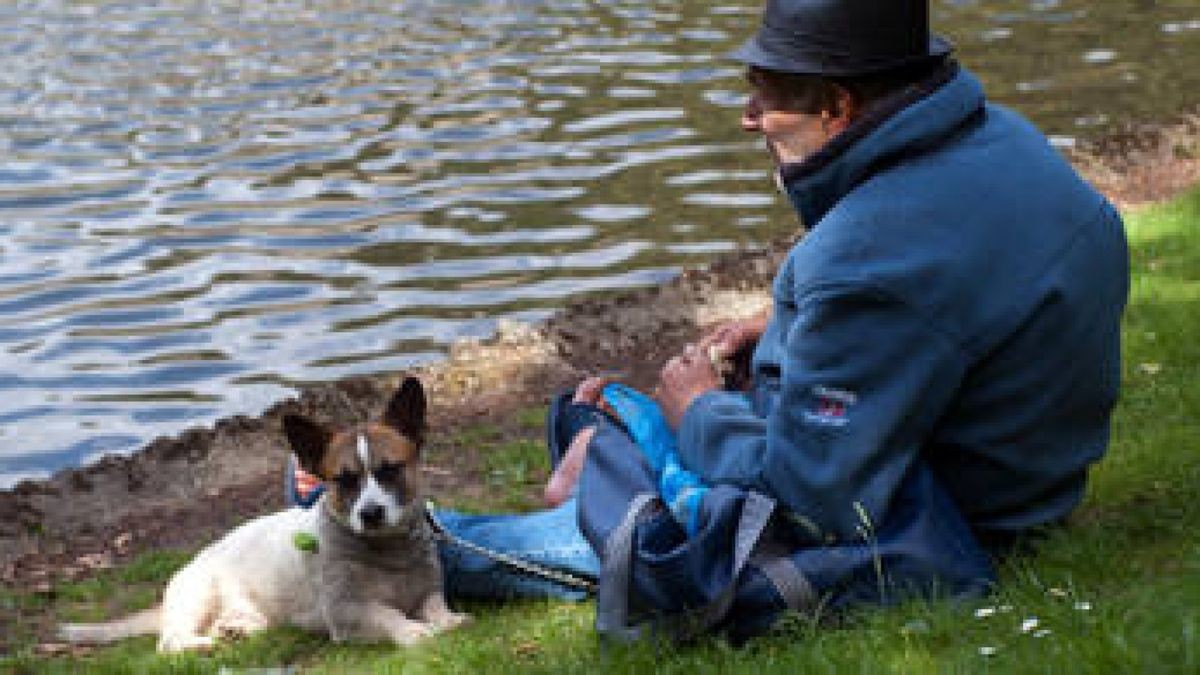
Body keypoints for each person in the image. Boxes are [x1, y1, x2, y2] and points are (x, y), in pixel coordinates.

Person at [291, 0, 1129, 628]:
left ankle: (389, 528)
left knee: (634, 520)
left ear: (836, 108)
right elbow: (953, 303)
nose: (747, 116)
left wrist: (702, 411)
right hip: (1029, 474)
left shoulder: (862, 259)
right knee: (604, 414)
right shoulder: (1011, 143)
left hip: (939, 524)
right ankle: (598, 462)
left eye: (764, 98)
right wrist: (790, 328)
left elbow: (810, 498)